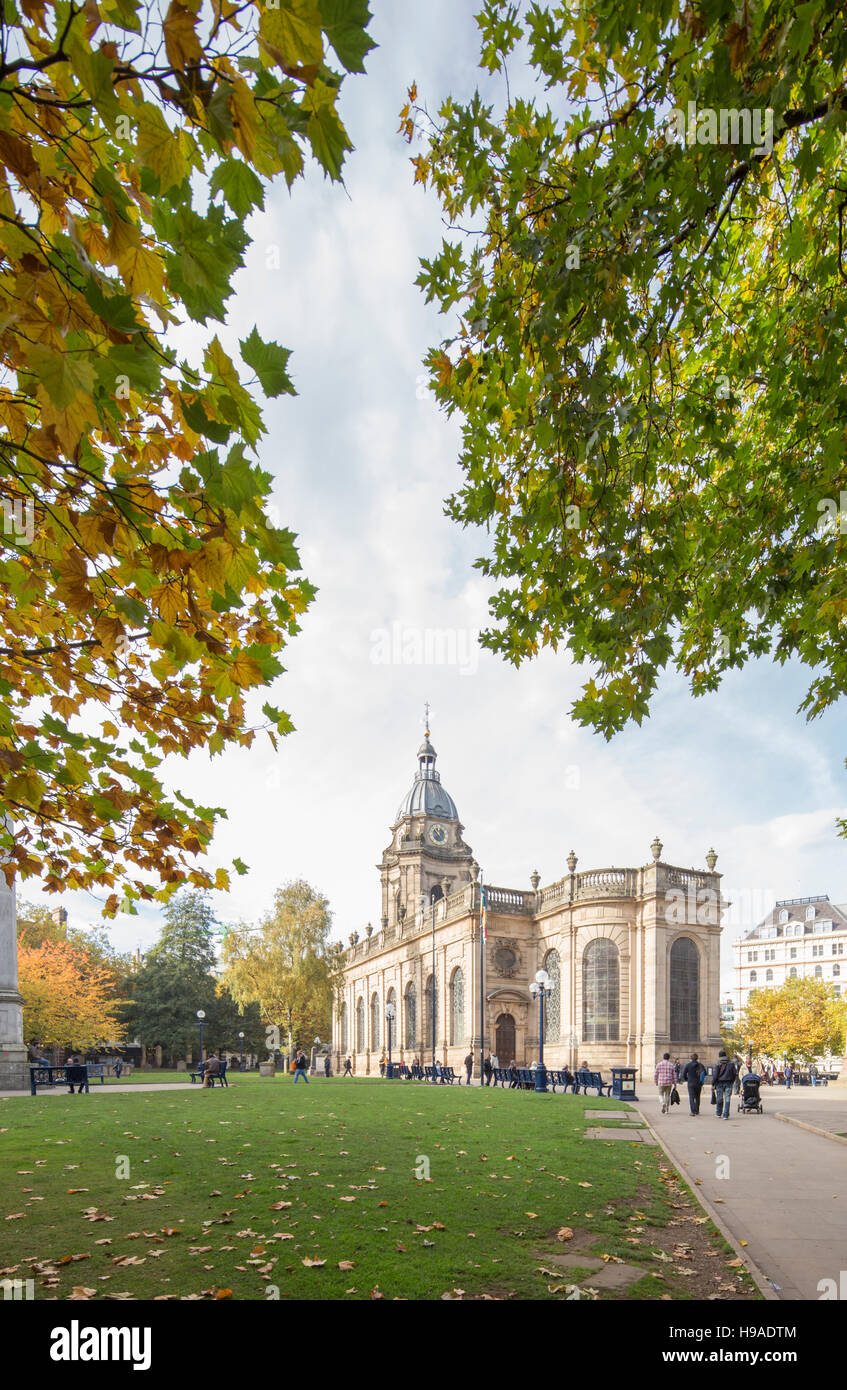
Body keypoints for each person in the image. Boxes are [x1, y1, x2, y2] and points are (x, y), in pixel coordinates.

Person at [712, 1049, 737, 1119]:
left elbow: (715, 1074)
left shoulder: (717, 1063)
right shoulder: (731, 1063)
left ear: (719, 1056)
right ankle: (725, 1115)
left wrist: (713, 1083)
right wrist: (732, 1081)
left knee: (719, 1098)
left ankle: (718, 1113)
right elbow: (735, 1073)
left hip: (719, 1083)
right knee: (727, 1098)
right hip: (729, 1082)